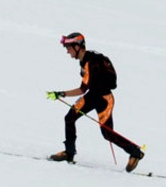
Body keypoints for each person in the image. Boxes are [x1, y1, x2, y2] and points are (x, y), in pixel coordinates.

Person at [47, 31, 144, 170]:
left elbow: (83, 89)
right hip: (92, 96)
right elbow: (84, 89)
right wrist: (61, 94)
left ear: (77, 47)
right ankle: (69, 153)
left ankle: (135, 152)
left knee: (107, 133)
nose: (67, 52)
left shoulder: (92, 62)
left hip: (104, 99)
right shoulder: (84, 61)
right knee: (69, 118)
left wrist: (61, 94)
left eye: (68, 48)